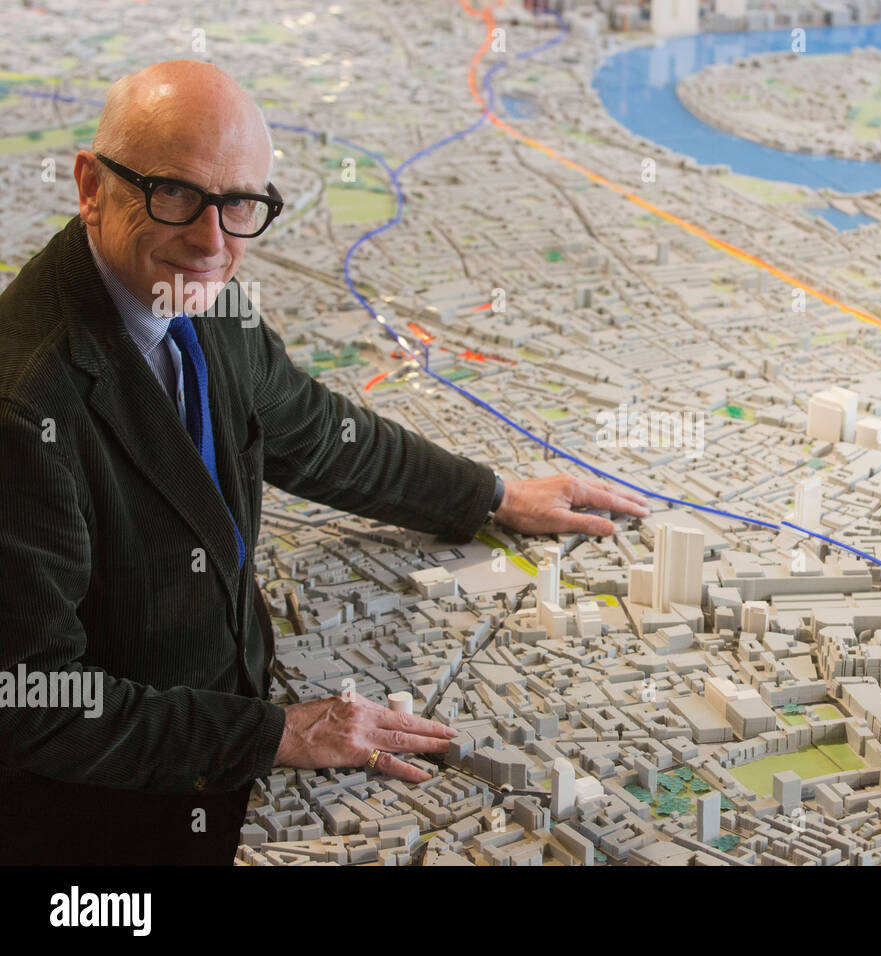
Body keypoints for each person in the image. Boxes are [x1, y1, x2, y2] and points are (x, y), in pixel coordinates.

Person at [0, 60, 647, 865]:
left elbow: (310, 430)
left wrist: (492, 494)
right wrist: (274, 731)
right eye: (174, 195)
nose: (212, 241)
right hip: (103, 815)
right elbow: (30, 706)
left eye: (240, 204)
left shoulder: (201, 293)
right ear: (91, 185)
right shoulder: (24, 407)